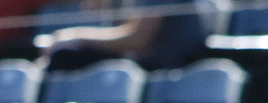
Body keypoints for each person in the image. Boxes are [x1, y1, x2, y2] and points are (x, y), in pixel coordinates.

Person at [40, 0, 206, 71]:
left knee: (65, 55)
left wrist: (76, 36)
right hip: (135, 64)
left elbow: (138, 38)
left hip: (168, 67)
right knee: (64, 54)